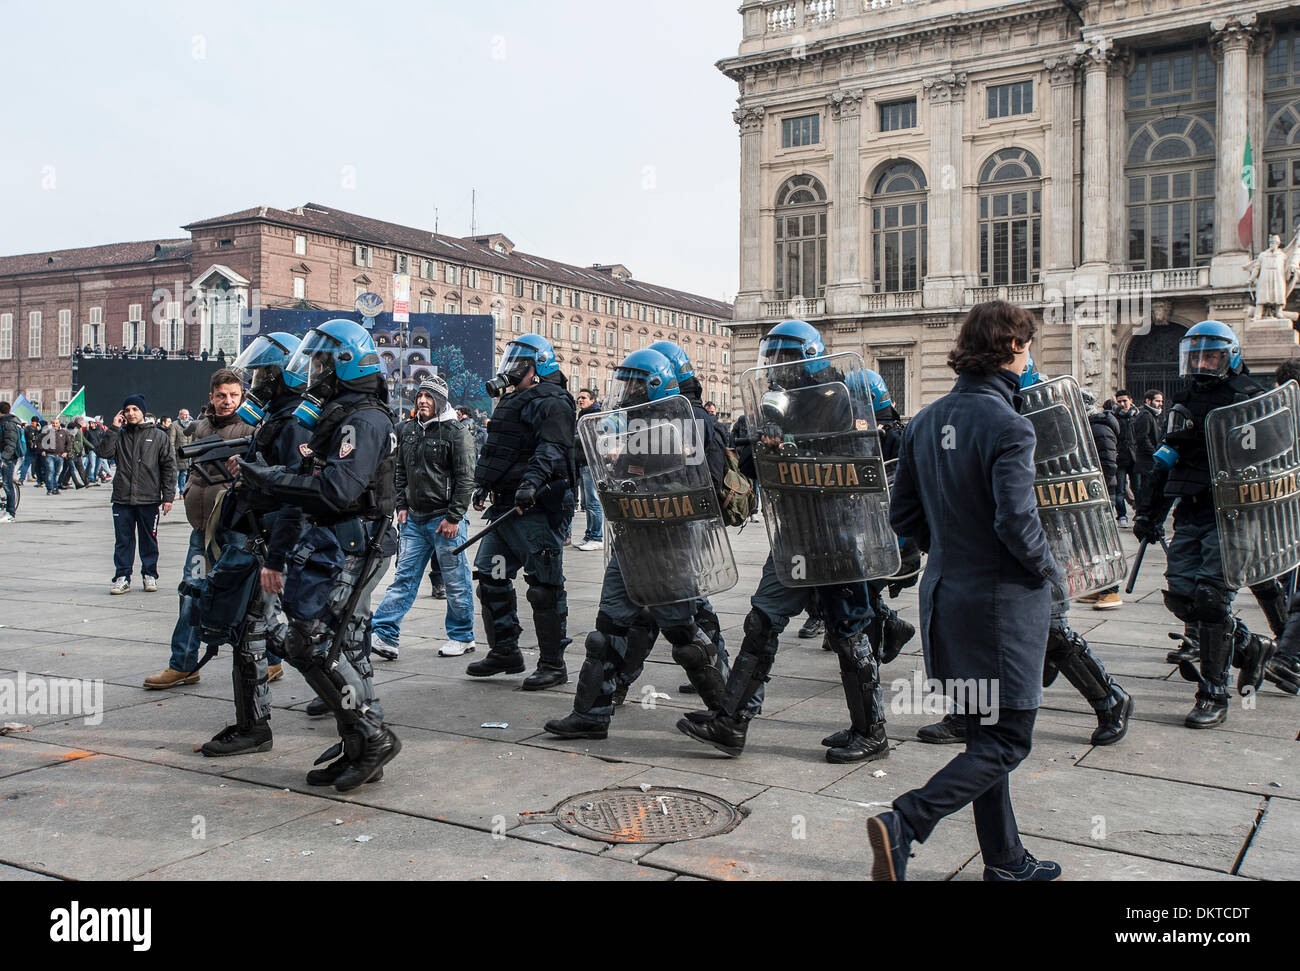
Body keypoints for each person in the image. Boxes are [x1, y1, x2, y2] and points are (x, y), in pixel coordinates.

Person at [867, 300, 1062, 882]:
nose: (1029, 358)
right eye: (1026, 347)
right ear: (1010, 350)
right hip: (1001, 602)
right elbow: (1016, 523)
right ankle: (906, 821)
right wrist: (1051, 571)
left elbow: (903, 514)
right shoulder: (1010, 425)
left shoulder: (926, 420)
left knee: (984, 734)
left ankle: (1005, 861)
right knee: (1007, 739)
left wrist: (950, 545)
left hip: (945, 595)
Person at [677, 320, 888, 764]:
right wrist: (764, 437)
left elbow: (856, 462)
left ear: (806, 358)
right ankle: (731, 722)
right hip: (793, 531)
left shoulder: (841, 398)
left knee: (848, 631)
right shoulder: (775, 403)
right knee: (762, 621)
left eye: (783, 358)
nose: (774, 366)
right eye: (770, 357)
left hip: (835, 533)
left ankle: (871, 731)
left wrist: (796, 447)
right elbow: (750, 468)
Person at [235, 319, 402, 789]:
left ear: (345, 363)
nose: (314, 372)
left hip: (357, 543)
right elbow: (305, 489)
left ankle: (371, 737)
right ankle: (360, 742)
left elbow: (337, 489)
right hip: (335, 541)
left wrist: (269, 480)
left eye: (322, 362)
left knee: (315, 645)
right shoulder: (337, 414)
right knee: (328, 646)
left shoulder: (363, 419)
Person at [543, 347, 738, 740]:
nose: (626, 391)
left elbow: (709, 493)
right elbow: (619, 475)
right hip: (632, 542)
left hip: (671, 546)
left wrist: (658, 492)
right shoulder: (637, 428)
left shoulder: (694, 425)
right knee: (607, 630)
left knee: (684, 634)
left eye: (633, 384)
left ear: (654, 385)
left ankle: (728, 718)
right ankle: (591, 714)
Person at [1135, 321, 1281, 728]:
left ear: (1229, 357)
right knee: (1181, 597)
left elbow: (1271, 463)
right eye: (1195, 356)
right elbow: (1165, 462)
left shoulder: (1251, 400)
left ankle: (1213, 693)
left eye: (1210, 355)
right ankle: (1252, 649)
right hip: (1193, 510)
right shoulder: (1183, 401)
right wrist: (1149, 513)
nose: (1201, 363)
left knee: (1212, 599)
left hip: (1233, 514)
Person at [196, 333, 308, 755]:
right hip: (262, 537)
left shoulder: (293, 420)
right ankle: (254, 726)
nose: (256, 381)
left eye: (263, 373)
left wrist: (276, 555)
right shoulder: (276, 416)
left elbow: (295, 489)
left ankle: (358, 723)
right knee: (252, 633)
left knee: (288, 637)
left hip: (276, 541)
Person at [464, 333, 577, 691]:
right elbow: (505, 448)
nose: (511, 372)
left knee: (544, 585)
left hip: (536, 508)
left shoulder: (554, 402)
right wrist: (485, 484)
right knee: (491, 575)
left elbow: (552, 448)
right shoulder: (518, 400)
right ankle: (505, 651)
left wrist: (530, 484)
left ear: (538, 367)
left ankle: (552, 664)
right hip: (506, 507)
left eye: (519, 366)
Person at [145, 369, 253, 689]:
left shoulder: (251, 426)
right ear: (211, 397)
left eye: (234, 395)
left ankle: (267, 660)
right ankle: (184, 663)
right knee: (191, 592)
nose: (227, 402)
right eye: (221, 395)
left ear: (242, 396)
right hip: (201, 530)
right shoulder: (201, 425)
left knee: (245, 599)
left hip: (236, 529)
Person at [370, 374, 478, 660]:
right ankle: (384, 634)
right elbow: (401, 471)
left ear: (440, 401)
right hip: (414, 519)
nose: (422, 401)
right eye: (420, 396)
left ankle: (462, 636)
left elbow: (466, 479)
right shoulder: (408, 430)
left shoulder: (456, 432)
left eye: (429, 396)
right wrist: (402, 505)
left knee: (455, 581)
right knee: (404, 578)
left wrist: (454, 517)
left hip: (445, 520)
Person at [98, 394, 176, 595]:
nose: (131, 413)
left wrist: (168, 496)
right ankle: (122, 577)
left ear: (143, 411)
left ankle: (150, 574)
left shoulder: (159, 436)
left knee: (149, 539)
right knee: (123, 540)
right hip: (122, 498)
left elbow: (169, 467)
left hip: (149, 498)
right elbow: (104, 453)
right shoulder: (119, 434)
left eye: (135, 409)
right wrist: (114, 428)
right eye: (127, 410)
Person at [568, 388, 605, 552]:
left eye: (583, 398)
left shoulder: (594, 416)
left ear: (592, 400)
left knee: (593, 501)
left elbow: (591, 438)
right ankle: (589, 535)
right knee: (587, 503)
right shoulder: (583, 416)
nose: (580, 400)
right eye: (579, 398)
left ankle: (597, 537)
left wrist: (572, 438)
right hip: (583, 463)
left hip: (591, 463)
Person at [1131, 388, 1164, 502]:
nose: (1160, 404)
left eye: (1161, 401)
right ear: (1148, 401)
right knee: (1146, 492)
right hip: (1146, 462)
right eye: (1158, 401)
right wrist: (1155, 453)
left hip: (1149, 461)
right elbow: (1143, 438)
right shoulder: (1145, 415)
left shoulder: (1151, 415)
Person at [1113, 389, 1138, 525]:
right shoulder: (1114, 417)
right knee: (1120, 489)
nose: (1122, 404)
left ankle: (1139, 513)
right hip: (1120, 459)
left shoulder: (1137, 416)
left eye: (1124, 401)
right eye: (1119, 402)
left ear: (1131, 401)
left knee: (1138, 488)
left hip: (1135, 458)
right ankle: (1122, 516)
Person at [0, 401, 20, 522]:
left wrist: (4, 458)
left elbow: (11, 443)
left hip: (7, 458)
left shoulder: (9, 424)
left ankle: (10, 513)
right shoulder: (3, 423)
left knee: (7, 484)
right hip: (3, 455)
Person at [40, 417, 70, 495]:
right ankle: (49, 489)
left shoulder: (64, 432)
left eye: (56, 423)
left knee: (57, 473)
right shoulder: (47, 432)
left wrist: (66, 452)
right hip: (49, 455)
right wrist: (42, 450)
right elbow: (39, 441)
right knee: (50, 472)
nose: (55, 425)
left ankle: (55, 488)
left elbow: (69, 443)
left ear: (59, 423)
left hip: (60, 456)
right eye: (53, 423)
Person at [168, 413, 192, 498]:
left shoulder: (190, 425)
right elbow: (171, 440)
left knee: (184, 474)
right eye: (184, 414)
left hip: (186, 454)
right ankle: (173, 493)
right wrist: (172, 453)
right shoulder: (174, 425)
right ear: (179, 415)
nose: (186, 416)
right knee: (175, 475)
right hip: (177, 454)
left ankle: (182, 493)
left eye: (187, 414)